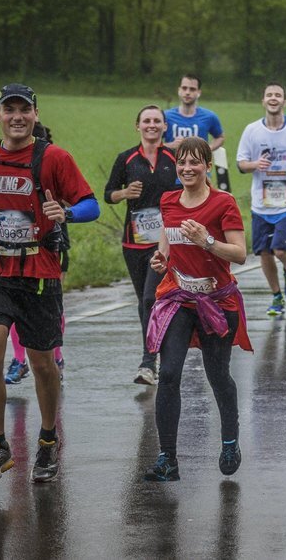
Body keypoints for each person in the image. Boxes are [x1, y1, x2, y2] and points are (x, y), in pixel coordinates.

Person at [0, 84, 99, 482]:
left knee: (42, 364)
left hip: (40, 272)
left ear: (35, 113)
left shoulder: (54, 158)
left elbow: (92, 204)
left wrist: (67, 211)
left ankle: (49, 441)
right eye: (9, 109)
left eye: (24, 109)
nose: (16, 116)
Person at [143, 137, 251, 482]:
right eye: (181, 163)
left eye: (195, 163)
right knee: (170, 373)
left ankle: (230, 440)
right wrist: (161, 258)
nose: (187, 169)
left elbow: (239, 254)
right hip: (179, 298)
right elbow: (167, 235)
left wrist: (206, 240)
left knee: (217, 375)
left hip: (217, 301)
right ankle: (167, 459)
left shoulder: (223, 203)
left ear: (207, 165)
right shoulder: (169, 200)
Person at [105, 105, 181, 385]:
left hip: (167, 240)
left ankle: (149, 361)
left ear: (164, 127)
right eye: (146, 121)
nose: (151, 125)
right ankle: (158, 350)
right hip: (134, 242)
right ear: (137, 126)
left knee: (152, 297)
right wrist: (124, 192)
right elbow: (107, 194)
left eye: (157, 121)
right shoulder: (126, 159)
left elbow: (196, 185)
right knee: (144, 301)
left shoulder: (174, 157)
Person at [236, 82, 286, 315]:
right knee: (264, 252)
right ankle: (276, 296)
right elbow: (241, 164)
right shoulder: (252, 130)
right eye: (269, 94)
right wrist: (255, 164)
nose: (273, 98)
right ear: (263, 101)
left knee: (279, 249)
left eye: (278, 95)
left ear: (284, 102)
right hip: (262, 204)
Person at [5, 122, 67, 386]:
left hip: (52, 243)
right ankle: (19, 360)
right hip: (14, 244)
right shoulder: (7, 163)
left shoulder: (54, 161)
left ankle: (57, 356)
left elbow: (76, 199)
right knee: (15, 305)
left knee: (52, 307)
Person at [164, 73, 228, 189]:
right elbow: (152, 145)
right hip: (171, 176)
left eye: (192, 89)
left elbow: (220, 137)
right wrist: (170, 145)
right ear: (179, 90)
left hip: (200, 176)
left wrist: (208, 148)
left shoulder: (209, 116)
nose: (187, 92)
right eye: (184, 88)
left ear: (199, 92)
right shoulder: (166, 117)